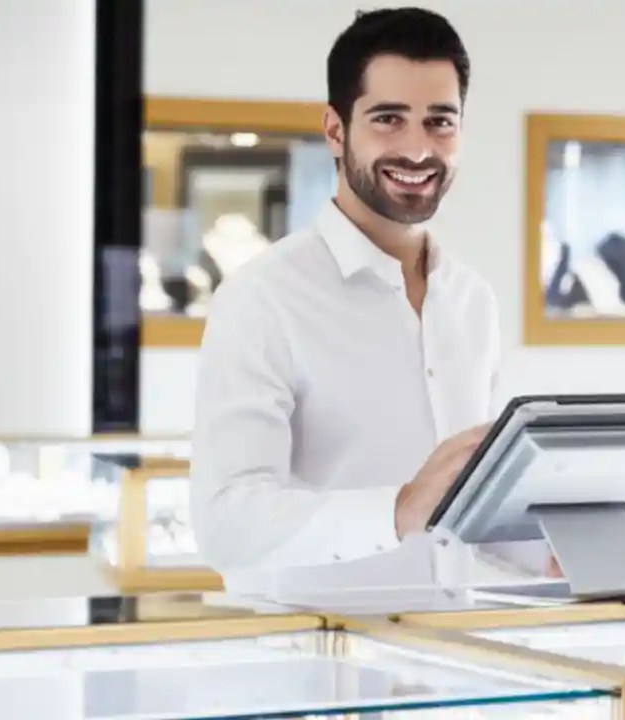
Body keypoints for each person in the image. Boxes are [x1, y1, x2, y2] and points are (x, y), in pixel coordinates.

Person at [190, 7, 509, 583]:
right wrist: (397, 510)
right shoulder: (263, 299)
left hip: (461, 655)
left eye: (440, 121)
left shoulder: (473, 300)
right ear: (336, 131)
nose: (418, 150)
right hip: (317, 660)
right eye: (389, 119)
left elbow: (470, 514)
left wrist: (554, 540)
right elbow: (225, 523)